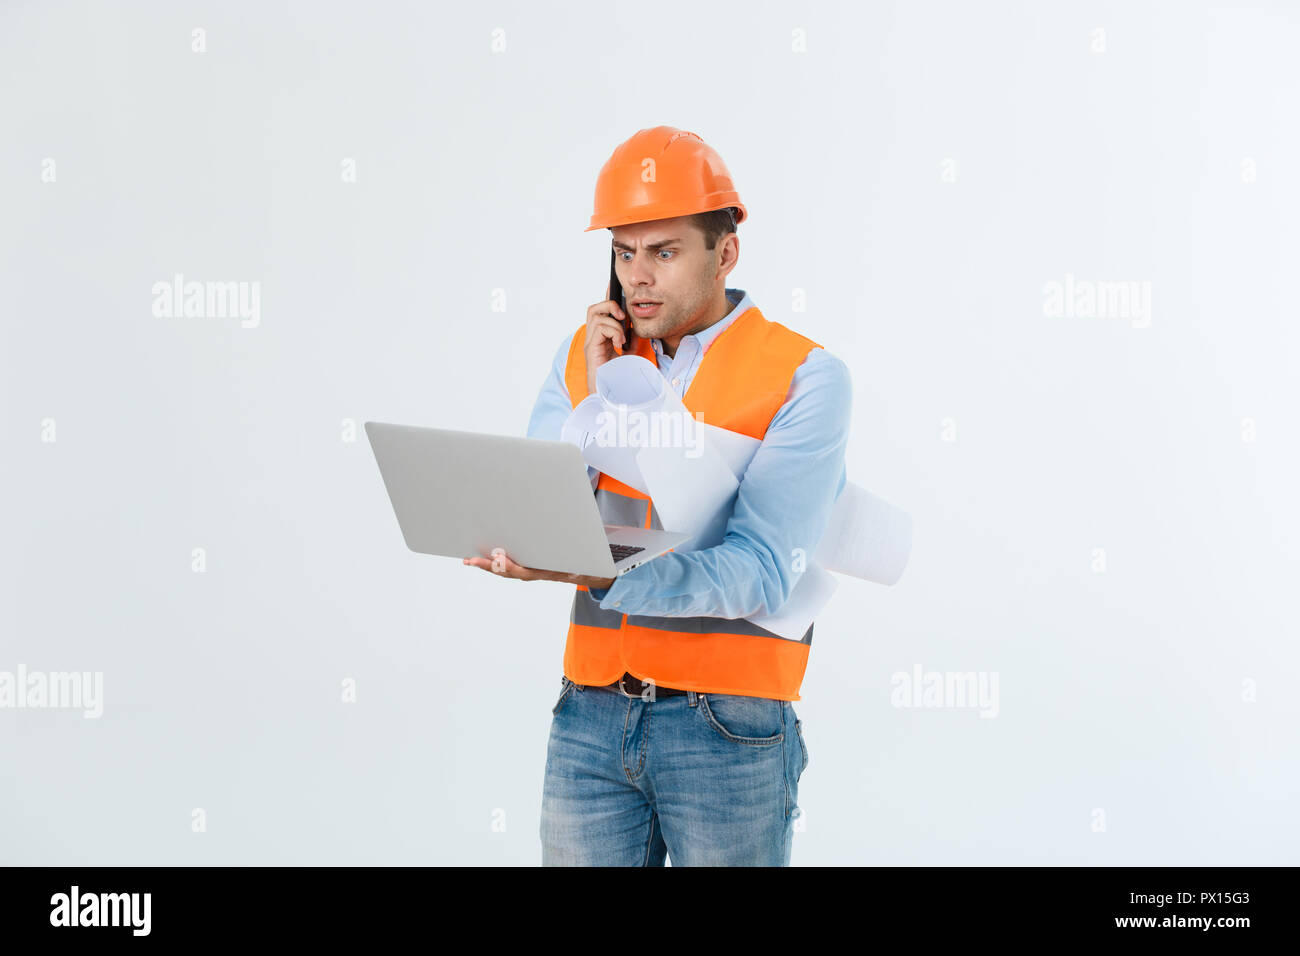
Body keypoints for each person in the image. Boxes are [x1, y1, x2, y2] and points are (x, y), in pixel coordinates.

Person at [464, 126, 852, 866]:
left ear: (724, 253)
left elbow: (762, 569)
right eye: (623, 252)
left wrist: (614, 577)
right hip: (590, 713)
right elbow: (540, 506)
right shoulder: (587, 358)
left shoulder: (804, 376)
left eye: (665, 252)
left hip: (728, 728)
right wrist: (599, 395)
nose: (637, 277)